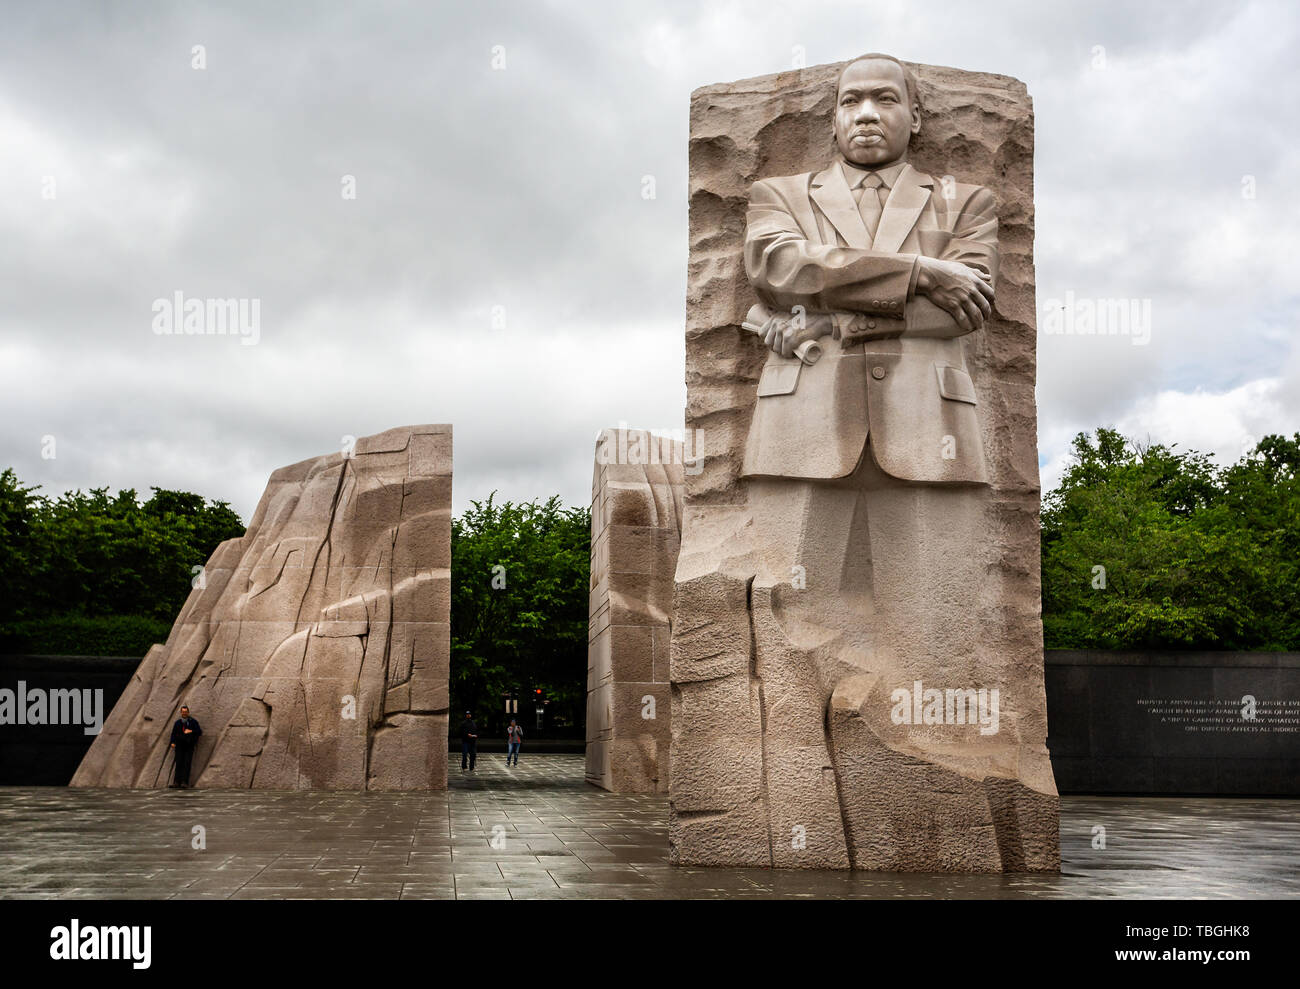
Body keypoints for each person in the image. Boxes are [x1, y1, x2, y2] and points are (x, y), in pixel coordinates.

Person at [168, 705, 203, 788]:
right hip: (179, 746)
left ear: (188, 712)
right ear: (181, 713)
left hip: (189, 746)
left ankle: (184, 782)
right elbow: (173, 733)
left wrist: (191, 730)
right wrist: (173, 742)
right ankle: (176, 782)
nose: (184, 713)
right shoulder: (177, 723)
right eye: (183, 712)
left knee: (187, 763)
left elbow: (199, 732)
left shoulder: (193, 722)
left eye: (185, 712)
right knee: (179, 763)